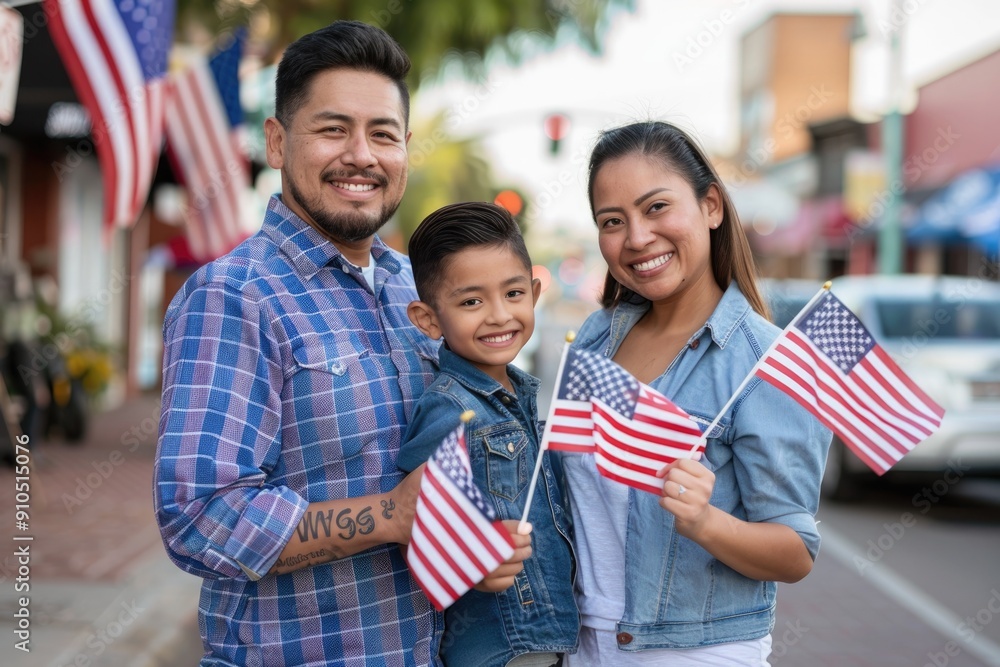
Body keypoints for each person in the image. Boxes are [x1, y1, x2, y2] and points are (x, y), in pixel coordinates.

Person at [154, 21, 530, 667]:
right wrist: (390, 514)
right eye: (333, 129)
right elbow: (197, 515)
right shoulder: (234, 295)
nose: (362, 154)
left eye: (382, 134)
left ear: (405, 149)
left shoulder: (416, 288)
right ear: (276, 140)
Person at [562, 121, 832, 666]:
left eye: (656, 207)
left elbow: (795, 551)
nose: (637, 238)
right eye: (613, 221)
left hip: (692, 651)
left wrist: (707, 522)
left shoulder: (767, 363)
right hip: (582, 642)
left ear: (711, 206)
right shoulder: (595, 336)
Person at [396, 202, 579, 667]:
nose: (499, 315)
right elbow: (416, 520)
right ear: (429, 319)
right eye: (471, 302)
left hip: (545, 639)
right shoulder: (448, 407)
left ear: (535, 292)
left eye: (513, 293)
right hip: (500, 647)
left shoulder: (516, 392)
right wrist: (471, 557)